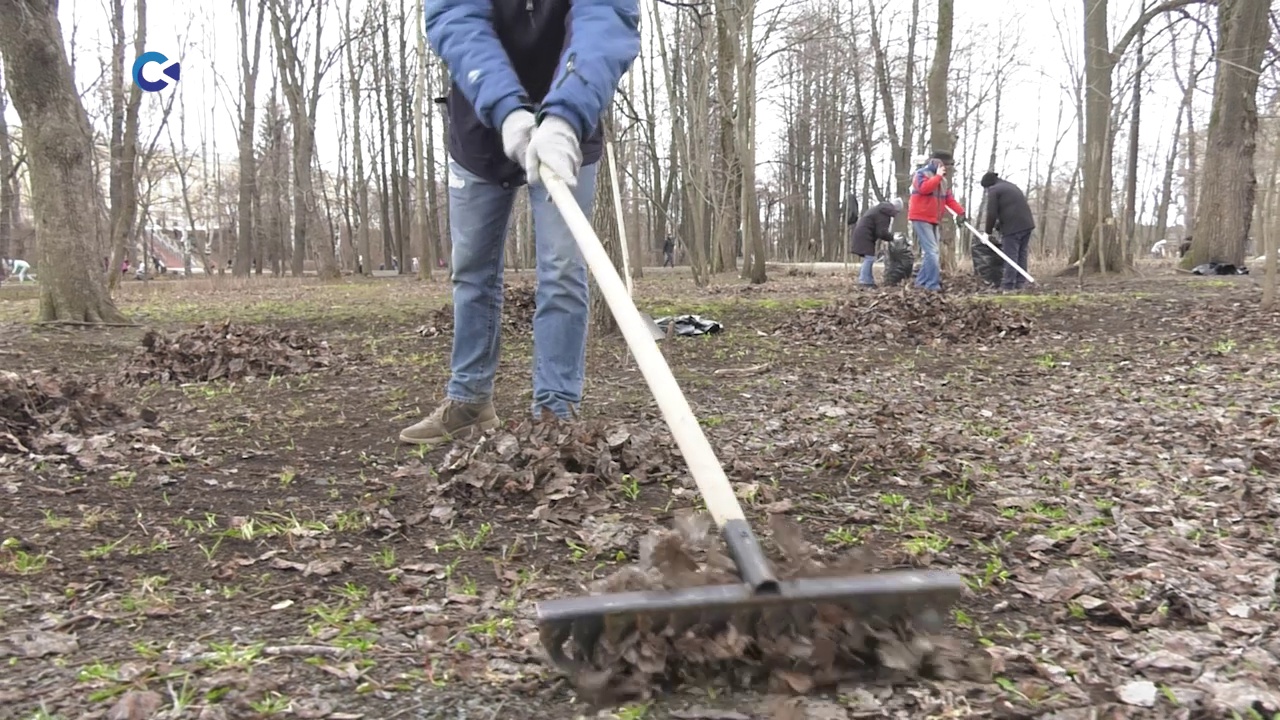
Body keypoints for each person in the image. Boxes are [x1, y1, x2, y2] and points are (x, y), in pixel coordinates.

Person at [399, 0, 641, 447]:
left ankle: (555, 414)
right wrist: (507, 108)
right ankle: (470, 401)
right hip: (479, 120)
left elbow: (605, 21)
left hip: (570, 123)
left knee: (563, 268)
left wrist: (566, 115)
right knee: (471, 269)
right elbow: (456, 18)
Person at [907, 150, 965, 291]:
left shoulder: (943, 181)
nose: (947, 169)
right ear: (937, 163)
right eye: (945, 166)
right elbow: (924, 189)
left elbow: (949, 200)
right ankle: (932, 284)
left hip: (934, 219)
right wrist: (937, 177)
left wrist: (961, 213)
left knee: (933, 252)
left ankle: (921, 282)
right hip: (920, 217)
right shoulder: (920, 174)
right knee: (932, 252)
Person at [980, 172, 1035, 292]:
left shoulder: (994, 190)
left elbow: (991, 213)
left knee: (1011, 256)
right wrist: (998, 226)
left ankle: (1008, 285)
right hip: (1027, 224)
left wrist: (987, 233)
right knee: (1021, 254)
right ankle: (1020, 283)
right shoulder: (1010, 186)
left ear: (987, 185)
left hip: (1013, 228)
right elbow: (1011, 209)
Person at [849, 197, 902, 287]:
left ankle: (868, 280)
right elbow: (881, 232)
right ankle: (864, 281)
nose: (896, 215)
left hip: (863, 234)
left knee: (869, 258)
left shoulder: (881, 209)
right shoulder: (885, 213)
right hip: (865, 235)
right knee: (869, 258)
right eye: (897, 212)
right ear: (895, 209)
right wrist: (892, 237)